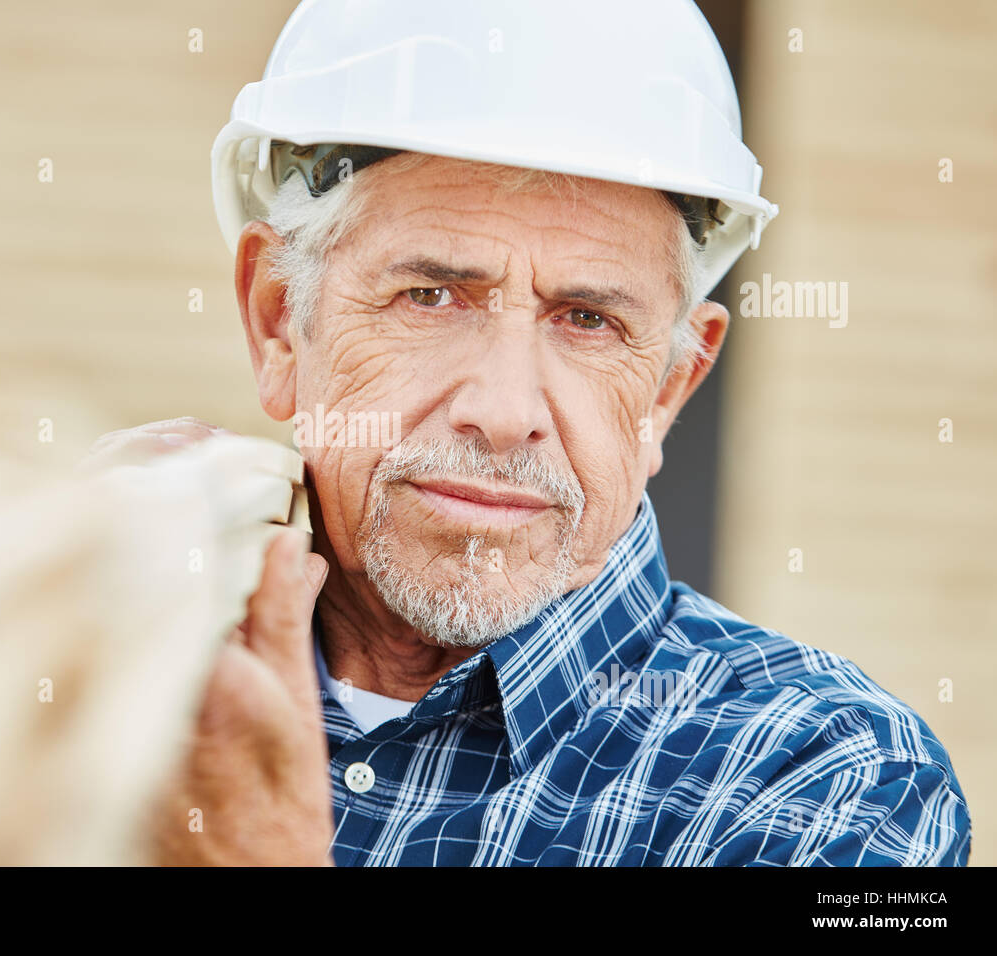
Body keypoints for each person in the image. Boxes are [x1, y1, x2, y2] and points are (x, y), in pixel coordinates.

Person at [137, 0, 971, 865]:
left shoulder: (831, 779)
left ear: (667, 391)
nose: (503, 413)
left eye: (587, 319)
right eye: (431, 297)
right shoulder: (105, 673)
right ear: (279, 323)